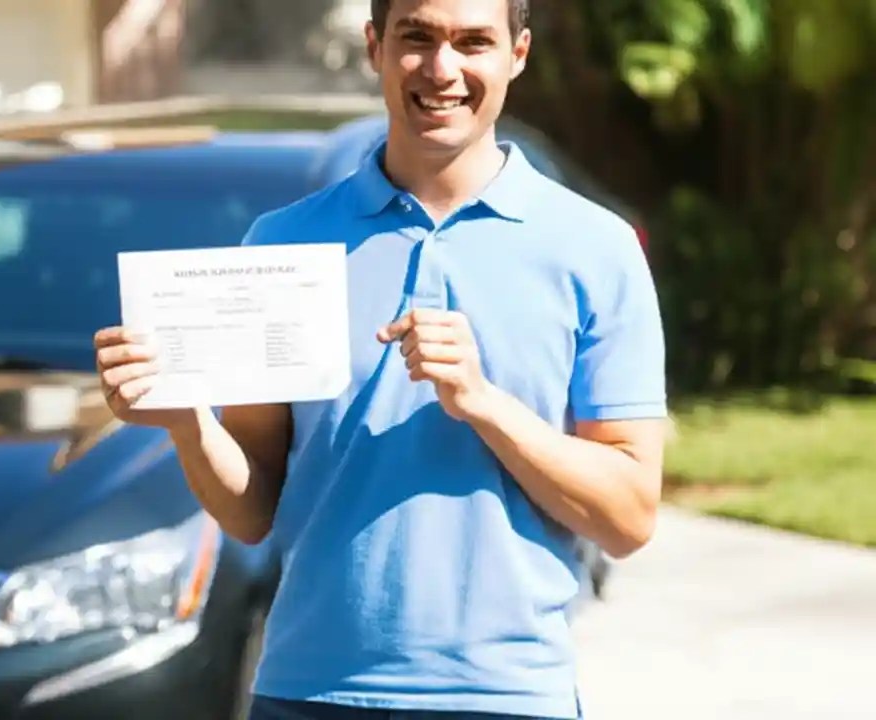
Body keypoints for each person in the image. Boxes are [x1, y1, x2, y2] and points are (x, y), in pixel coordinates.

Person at [93, 0, 668, 717]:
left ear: (517, 54)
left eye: (473, 42)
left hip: (509, 697)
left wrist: (485, 404)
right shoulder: (283, 245)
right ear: (375, 46)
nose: (442, 68)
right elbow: (250, 512)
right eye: (417, 37)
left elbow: (629, 517)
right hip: (308, 692)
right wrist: (189, 424)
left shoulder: (595, 249)